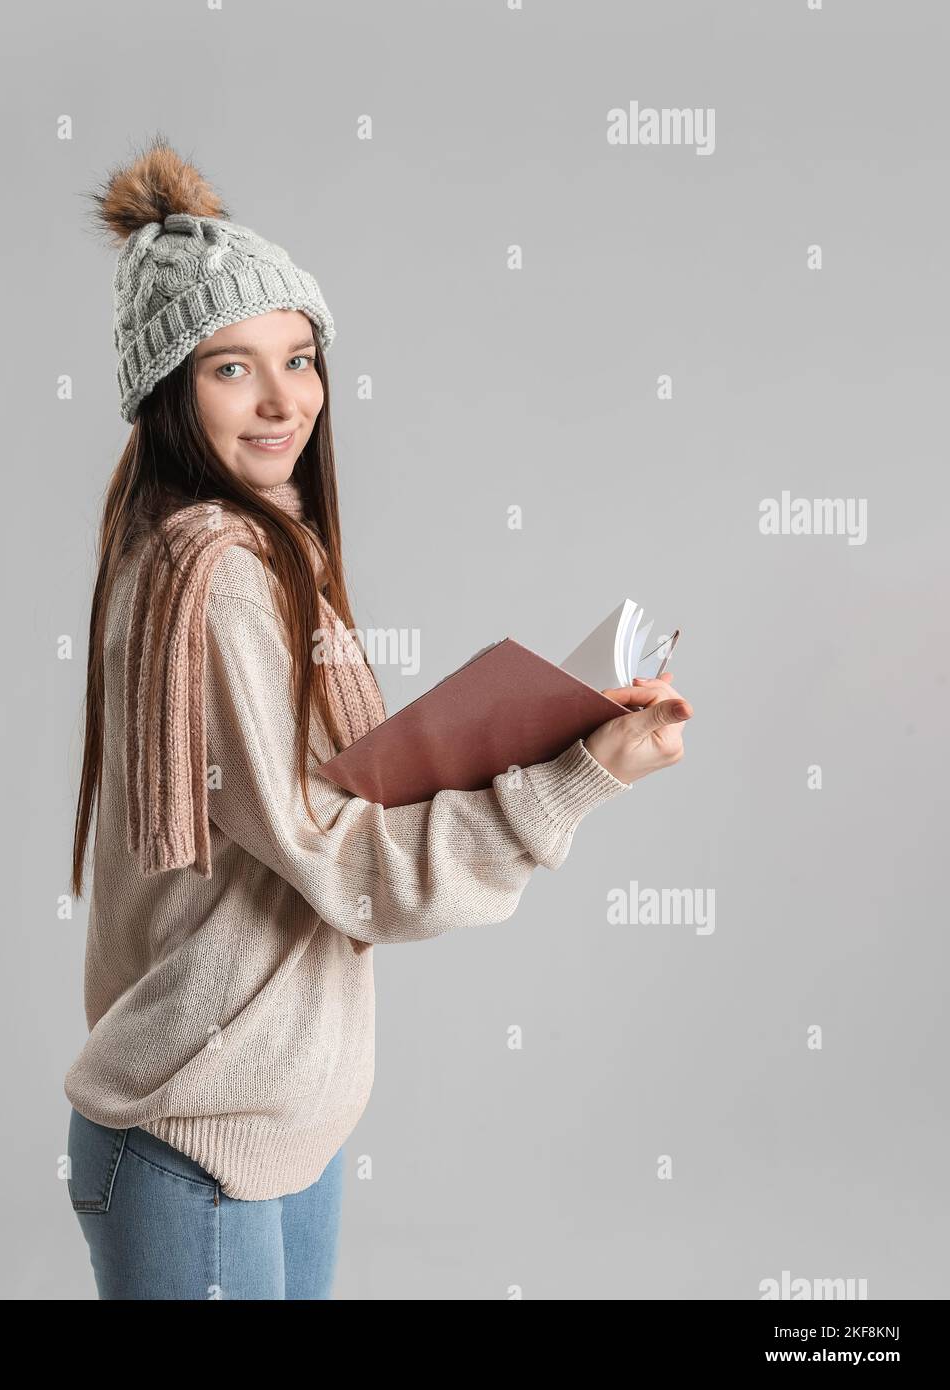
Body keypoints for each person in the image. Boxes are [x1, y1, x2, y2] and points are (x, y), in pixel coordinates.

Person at [62, 138, 694, 1300]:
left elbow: (343, 796)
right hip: (196, 1141)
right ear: (165, 390)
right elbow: (341, 857)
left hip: (276, 1120)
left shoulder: (250, 545)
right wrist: (574, 779)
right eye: (229, 368)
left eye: (298, 359)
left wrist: (551, 732)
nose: (282, 399)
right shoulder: (219, 575)